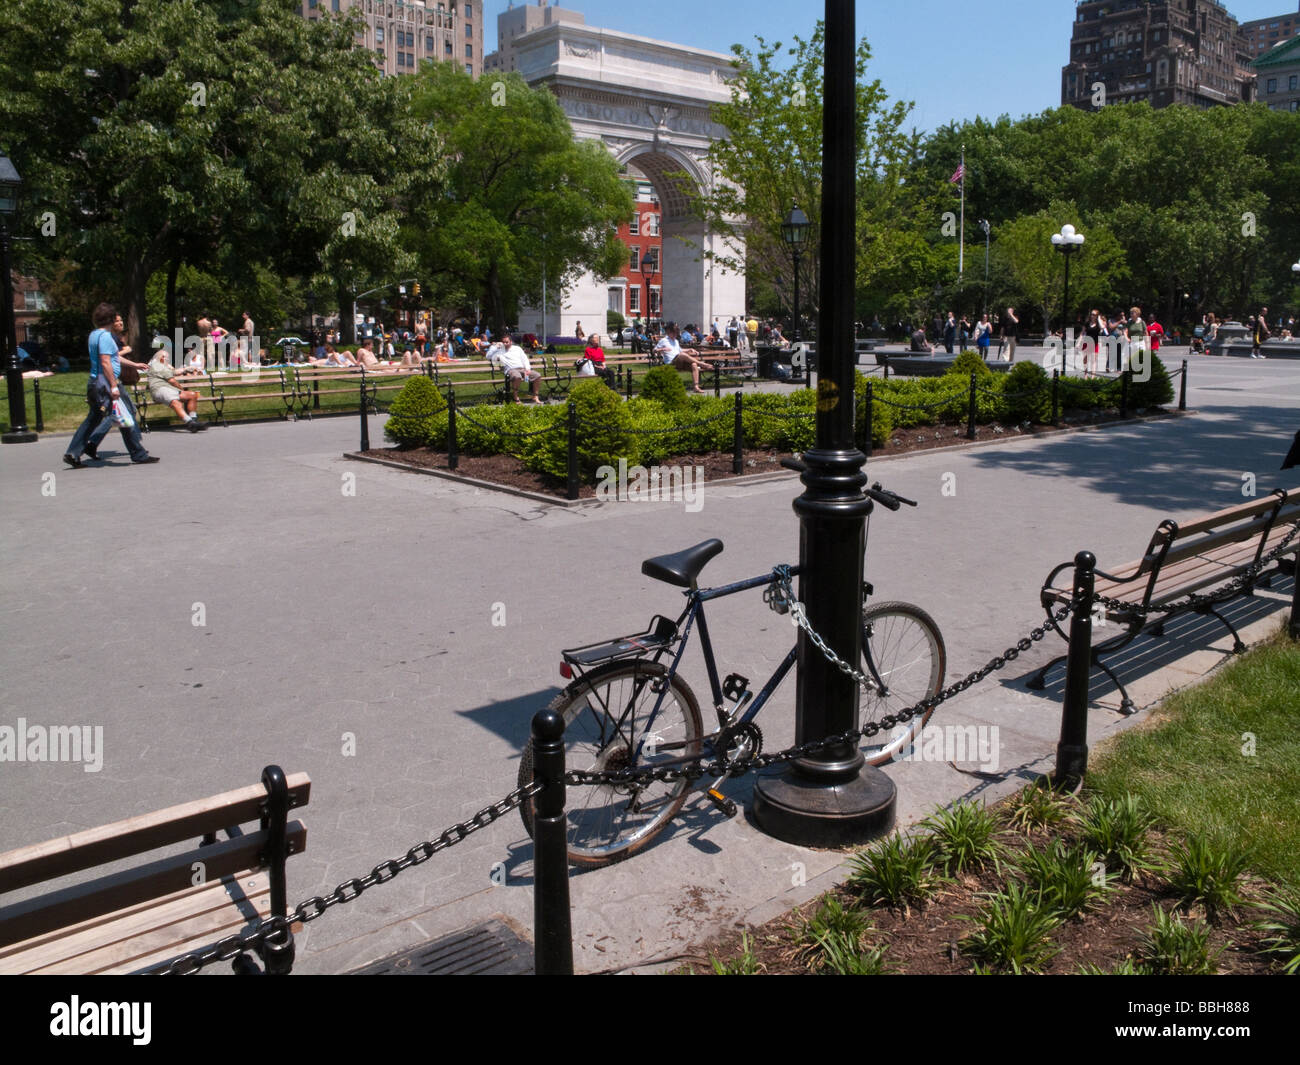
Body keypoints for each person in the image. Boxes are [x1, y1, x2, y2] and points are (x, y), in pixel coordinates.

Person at [64, 303, 157, 467]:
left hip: (95, 382)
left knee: (94, 419)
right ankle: (138, 454)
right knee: (125, 415)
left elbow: (113, 357)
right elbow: (106, 362)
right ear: (111, 319)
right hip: (106, 383)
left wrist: (134, 365)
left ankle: (73, 452)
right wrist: (113, 386)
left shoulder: (94, 335)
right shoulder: (106, 337)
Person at [146, 344, 206, 431]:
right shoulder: (158, 366)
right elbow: (172, 381)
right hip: (160, 390)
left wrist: (187, 368)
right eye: (167, 358)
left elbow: (174, 372)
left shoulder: (162, 366)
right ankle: (190, 423)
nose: (169, 360)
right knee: (176, 402)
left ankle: (194, 420)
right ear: (162, 358)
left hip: (168, 390)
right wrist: (181, 390)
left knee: (192, 395)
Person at [654, 324, 707, 393]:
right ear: (669, 332)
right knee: (681, 355)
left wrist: (689, 349)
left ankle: (696, 387)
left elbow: (680, 350)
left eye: (676, 333)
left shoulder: (676, 341)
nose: (676, 335)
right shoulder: (663, 340)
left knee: (694, 364)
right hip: (671, 363)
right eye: (674, 333)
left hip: (679, 362)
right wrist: (663, 349)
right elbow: (654, 350)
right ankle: (701, 364)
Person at [491, 334, 542, 403]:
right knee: (517, 376)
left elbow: (525, 359)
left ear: (511, 342)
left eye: (507, 342)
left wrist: (527, 369)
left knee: (537, 375)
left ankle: (535, 396)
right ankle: (515, 397)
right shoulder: (499, 351)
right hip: (511, 370)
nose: (505, 344)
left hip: (522, 369)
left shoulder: (517, 349)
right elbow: (494, 360)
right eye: (503, 342)